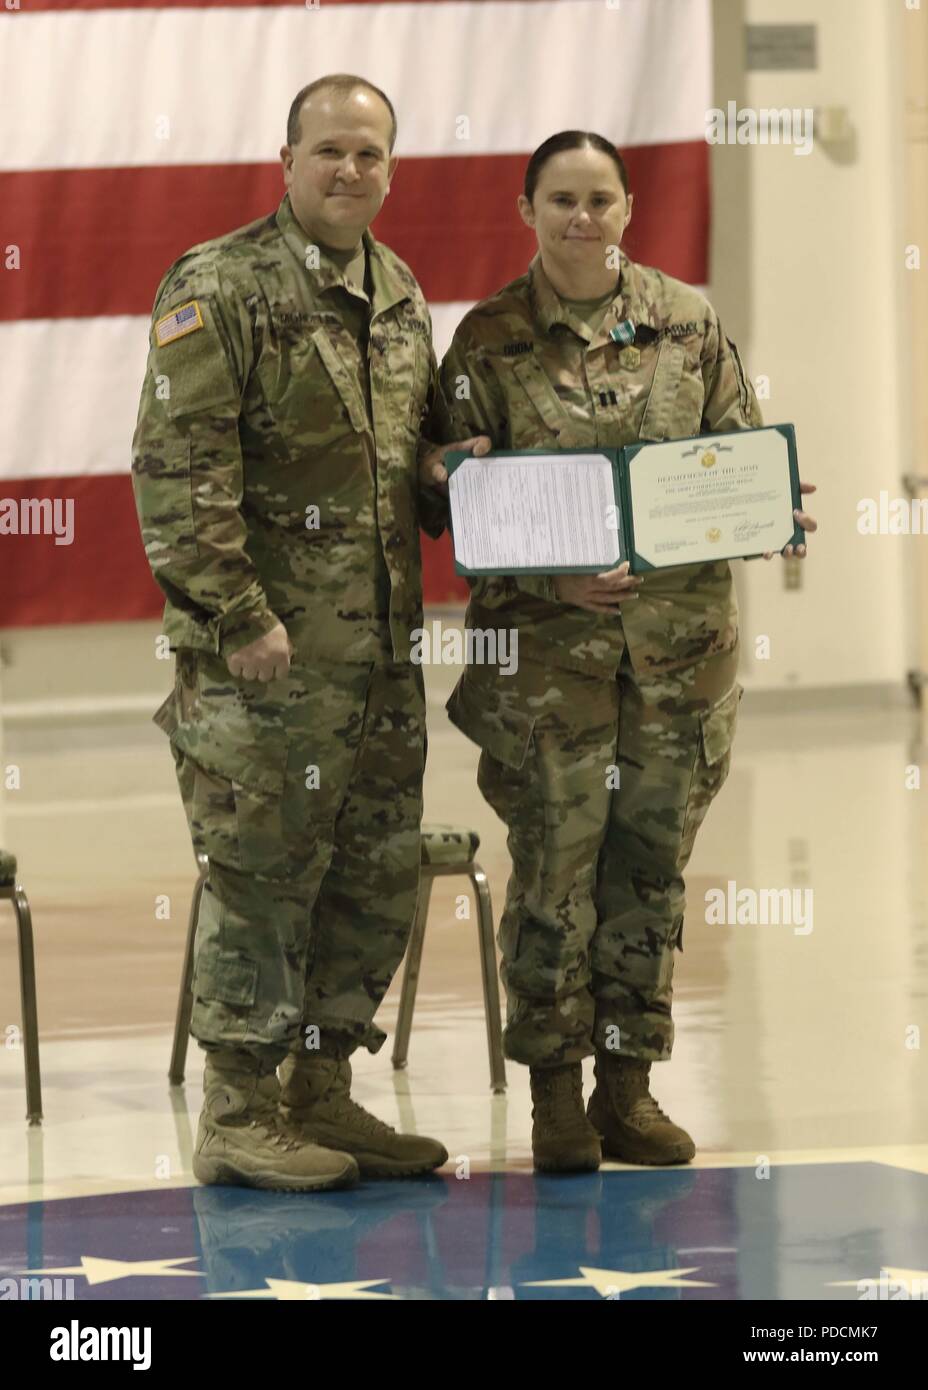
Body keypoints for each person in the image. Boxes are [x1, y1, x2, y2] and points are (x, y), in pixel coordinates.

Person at [437, 131, 817, 1173]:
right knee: (553, 880)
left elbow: (735, 449)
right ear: (528, 209)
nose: (581, 217)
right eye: (560, 198)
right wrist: (547, 577)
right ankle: (554, 1095)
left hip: (674, 663)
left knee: (648, 873)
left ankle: (628, 1085)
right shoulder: (487, 341)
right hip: (546, 669)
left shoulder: (686, 321)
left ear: (628, 207)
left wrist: (768, 509)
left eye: (599, 198)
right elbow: (449, 499)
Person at [131, 74, 483, 1191]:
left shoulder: (397, 291)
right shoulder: (218, 282)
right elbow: (182, 472)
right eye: (328, 150)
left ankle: (322, 1094)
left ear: (391, 168)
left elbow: (401, 470)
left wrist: (451, 480)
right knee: (261, 875)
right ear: (286, 160)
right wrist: (237, 615)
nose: (349, 171)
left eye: (370, 154)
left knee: (370, 876)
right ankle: (236, 1110)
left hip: (379, 660)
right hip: (264, 662)